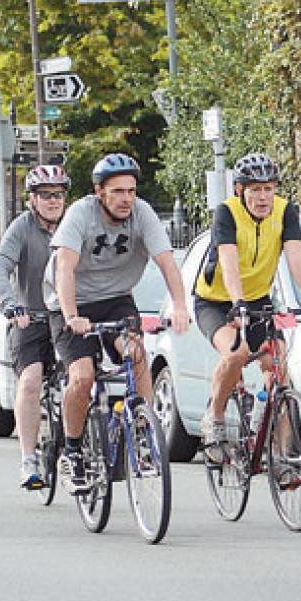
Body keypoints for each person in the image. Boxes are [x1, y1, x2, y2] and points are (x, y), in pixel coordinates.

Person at [51, 153, 190, 493]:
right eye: (118, 192)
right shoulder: (80, 214)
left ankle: (143, 431)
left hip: (115, 299)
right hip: (71, 302)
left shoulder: (142, 213)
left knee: (136, 352)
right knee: (82, 376)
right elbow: (64, 268)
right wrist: (72, 316)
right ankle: (72, 453)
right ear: (100, 192)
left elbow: (167, 263)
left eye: (131, 190)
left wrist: (180, 306)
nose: (127, 198)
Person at [193, 153, 301, 466]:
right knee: (236, 352)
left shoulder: (285, 212)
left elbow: (296, 257)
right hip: (216, 301)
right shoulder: (226, 213)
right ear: (240, 191)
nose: (263, 196)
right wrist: (237, 303)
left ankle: (281, 456)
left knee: (279, 368)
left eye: (268, 188)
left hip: (258, 300)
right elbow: (229, 262)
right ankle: (214, 418)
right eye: (255, 189)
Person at [0, 165, 69, 489]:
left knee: (85, 377)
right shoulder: (21, 228)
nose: (53, 201)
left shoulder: (75, 224)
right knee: (32, 381)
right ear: (32, 200)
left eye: (59, 194)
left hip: (67, 317)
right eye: (45, 195)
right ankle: (29, 457)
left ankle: (82, 445)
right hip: (30, 317)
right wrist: (11, 305)